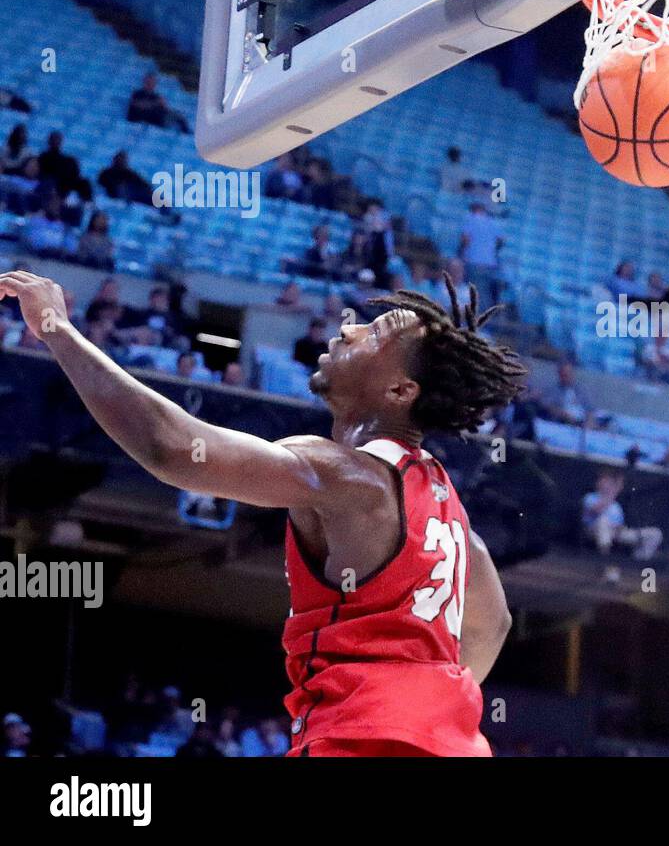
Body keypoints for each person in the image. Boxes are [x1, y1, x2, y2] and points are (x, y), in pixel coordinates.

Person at [1, 269, 524, 756]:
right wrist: (425, 705)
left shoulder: (344, 472)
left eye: (376, 332)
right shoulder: (449, 513)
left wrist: (58, 331)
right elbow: (492, 622)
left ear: (400, 391)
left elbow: (173, 448)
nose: (349, 329)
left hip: (362, 739)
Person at [459, 202, 505, 305]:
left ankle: (476, 318)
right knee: (484, 293)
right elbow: (501, 240)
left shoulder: (470, 218)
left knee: (474, 294)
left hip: (474, 262)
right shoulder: (493, 222)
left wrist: (461, 256)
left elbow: (465, 239)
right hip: (490, 264)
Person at [126, 72, 191, 132]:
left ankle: (186, 132)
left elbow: (165, 109)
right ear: (144, 82)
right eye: (148, 82)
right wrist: (156, 103)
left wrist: (163, 104)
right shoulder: (137, 93)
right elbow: (138, 104)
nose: (150, 84)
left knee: (177, 114)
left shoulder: (156, 96)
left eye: (152, 82)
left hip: (156, 119)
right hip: (141, 118)